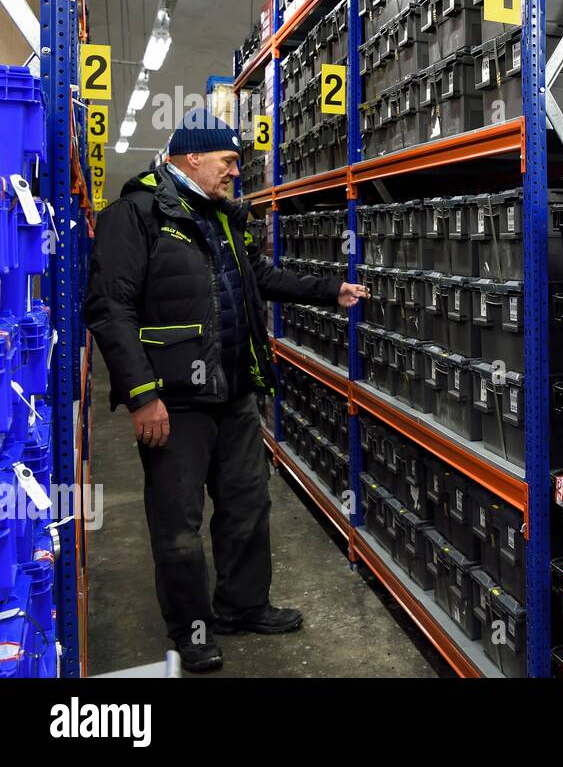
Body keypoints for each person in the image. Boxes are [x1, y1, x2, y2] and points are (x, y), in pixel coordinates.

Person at [84, 109, 367, 673]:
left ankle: (243, 605)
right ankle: (191, 630)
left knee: (246, 506)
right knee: (178, 525)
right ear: (193, 157)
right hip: (175, 404)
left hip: (235, 392)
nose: (236, 172)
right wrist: (142, 395)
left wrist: (328, 289)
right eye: (229, 161)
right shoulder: (135, 215)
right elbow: (109, 308)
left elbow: (258, 277)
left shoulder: (224, 218)